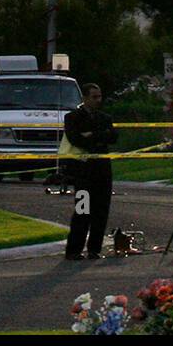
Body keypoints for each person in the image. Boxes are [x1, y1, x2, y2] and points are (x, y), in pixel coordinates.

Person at [61, 83, 117, 261]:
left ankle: (94, 249)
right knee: (82, 210)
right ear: (84, 98)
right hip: (83, 173)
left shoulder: (105, 117)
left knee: (101, 211)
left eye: (99, 96)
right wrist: (98, 136)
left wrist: (91, 135)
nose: (97, 100)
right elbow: (75, 139)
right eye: (94, 97)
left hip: (102, 170)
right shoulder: (72, 117)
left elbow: (113, 137)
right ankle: (74, 250)